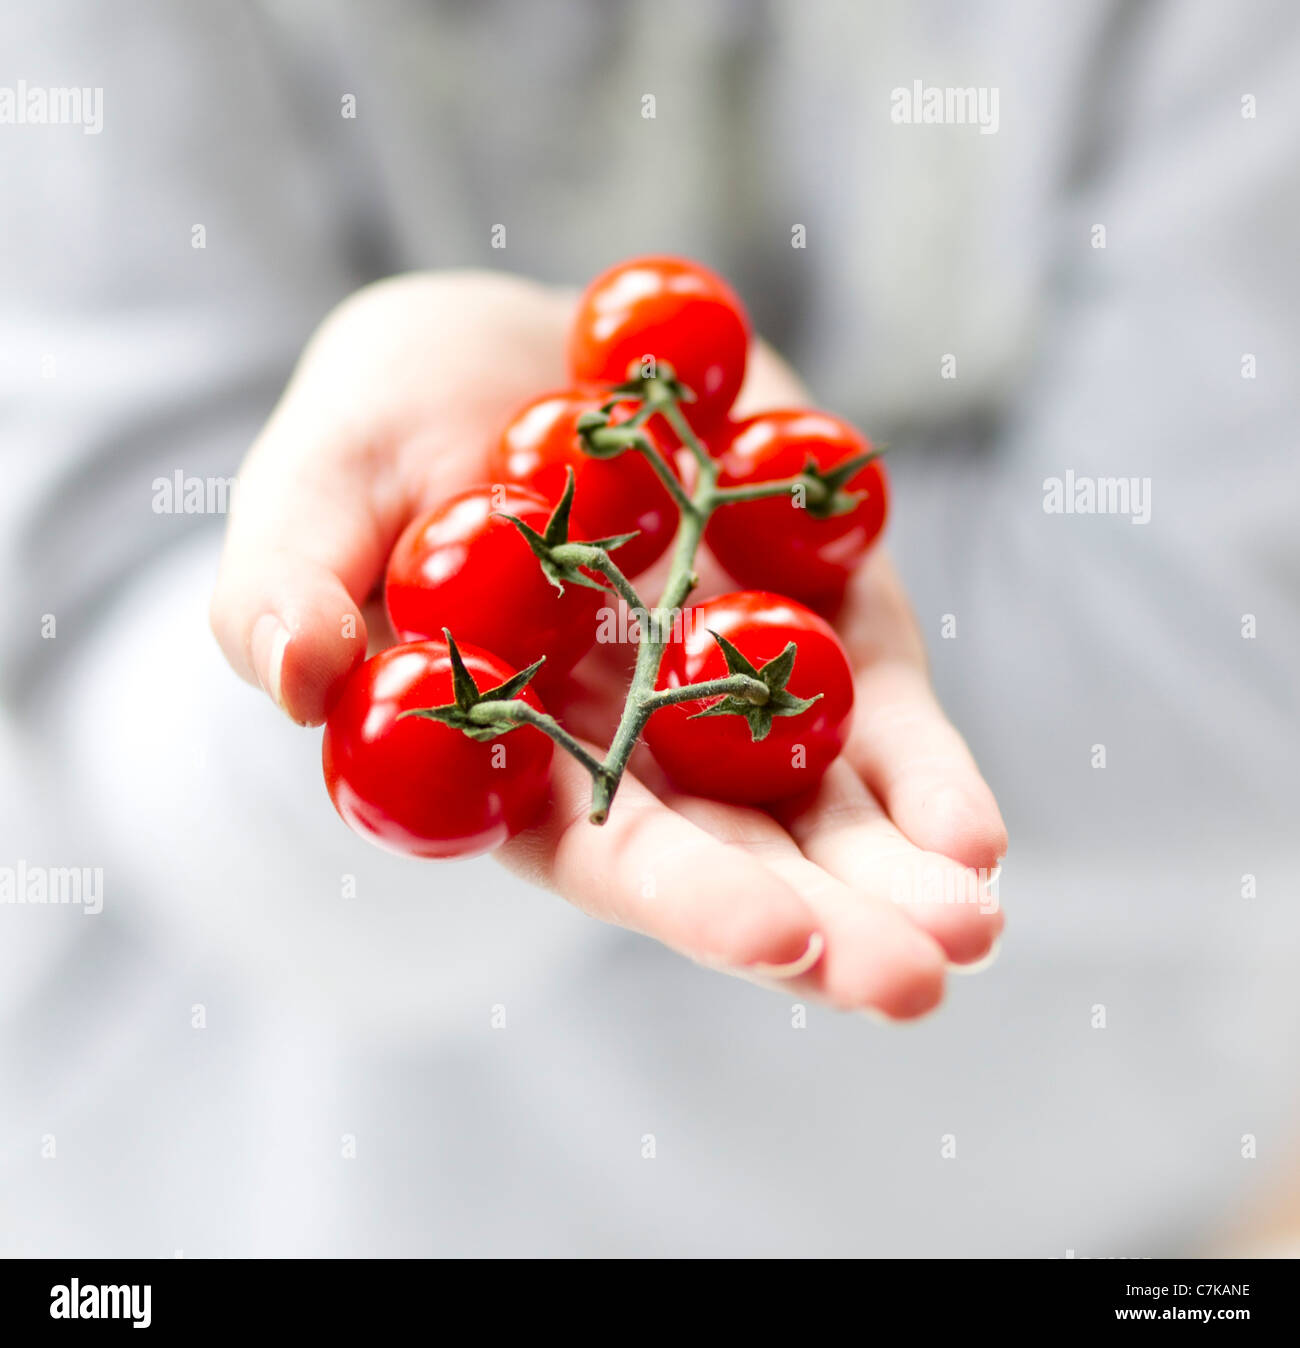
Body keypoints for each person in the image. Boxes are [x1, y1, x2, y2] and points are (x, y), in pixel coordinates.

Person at [3, 0, 1298, 1257]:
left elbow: (1244, 656)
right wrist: (369, 622)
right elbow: (107, 631)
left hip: (1073, 1208)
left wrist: (591, 637)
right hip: (247, 1211)